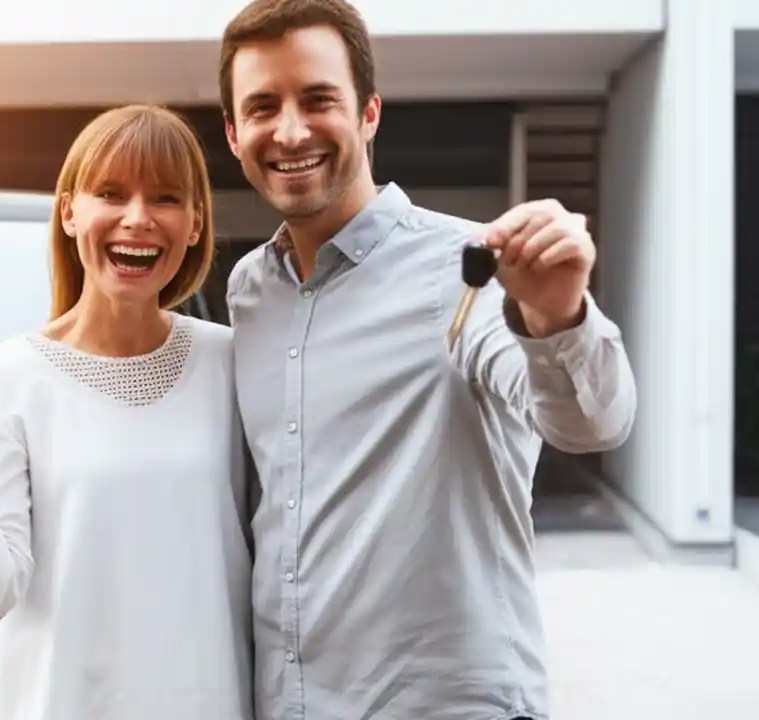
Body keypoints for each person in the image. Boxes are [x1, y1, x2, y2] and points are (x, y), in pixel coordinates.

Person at [218, 1, 638, 718]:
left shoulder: (468, 267)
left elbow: (591, 423)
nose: (289, 131)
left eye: (318, 99)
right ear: (233, 133)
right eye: (262, 107)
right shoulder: (250, 291)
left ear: (369, 114)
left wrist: (557, 318)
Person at [0, 104, 254, 720]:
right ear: (69, 211)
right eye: (111, 193)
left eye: (164, 197)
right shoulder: (7, 376)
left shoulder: (233, 363)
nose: (138, 218)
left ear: (194, 224)